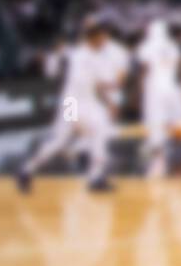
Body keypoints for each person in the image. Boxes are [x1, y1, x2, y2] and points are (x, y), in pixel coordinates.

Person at [16, 17, 119, 194]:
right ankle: (95, 177)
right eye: (103, 37)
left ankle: (26, 169)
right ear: (94, 38)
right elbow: (101, 83)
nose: (105, 41)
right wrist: (112, 87)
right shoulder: (87, 55)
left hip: (71, 102)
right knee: (100, 130)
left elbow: (94, 82)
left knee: (60, 141)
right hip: (78, 103)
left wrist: (109, 100)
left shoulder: (80, 53)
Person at [137, 20, 181, 178]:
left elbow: (145, 67)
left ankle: (159, 158)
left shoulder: (147, 46)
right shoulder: (173, 46)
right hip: (172, 86)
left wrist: (142, 88)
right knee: (174, 122)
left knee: (156, 122)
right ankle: (174, 151)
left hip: (155, 87)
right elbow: (178, 66)